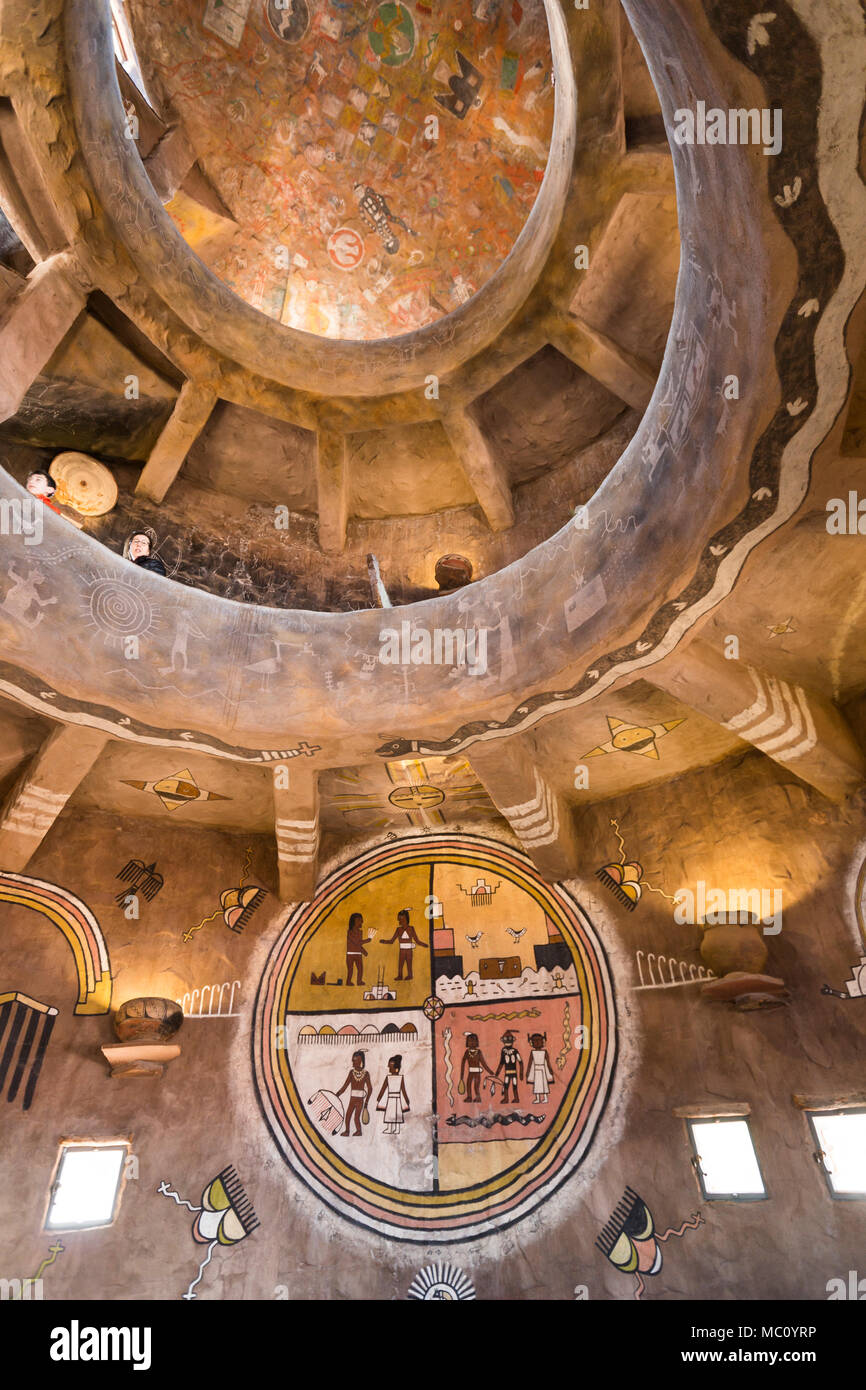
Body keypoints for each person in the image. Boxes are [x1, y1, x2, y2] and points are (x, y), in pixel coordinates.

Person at [381, 908, 427, 981]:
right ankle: (400, 976)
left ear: (406, 919)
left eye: (402, 919)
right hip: (402, 950)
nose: (400, 921)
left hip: (409, 950)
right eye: (399, 919)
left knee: (409, 964)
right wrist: (384, 941)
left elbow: (417, 940)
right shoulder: (398, 930)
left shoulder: (411, 928)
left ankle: (410, 975)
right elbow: (392, 941)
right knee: (400, 964)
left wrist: (424, 944)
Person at [335, 1050, 372, 1137]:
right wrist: (338, 1094)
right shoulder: (351, 1073)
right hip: (353, 1099)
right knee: (348, 1116)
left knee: (356, 1117)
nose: (353, 1062)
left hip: (360, 1100)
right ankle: (347, 1131)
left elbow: (370, 1089)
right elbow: (345, 1086)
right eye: (353, 1060)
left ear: (360, 1061)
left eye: (354, 1060)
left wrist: (366, 1102)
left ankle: (359, 1131)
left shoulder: (366, 1074)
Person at [376, 1054, 409, 1135]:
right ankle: (389, 1128)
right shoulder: (388, 1077)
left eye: (391, 1066)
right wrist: (379, 1097)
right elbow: (383, 1089)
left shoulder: (401, 1078)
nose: (389, 1068)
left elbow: (403, 1090)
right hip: (390, 1098)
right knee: (389, 1114)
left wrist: (406, 1099)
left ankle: (397, 1129)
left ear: (396, 1068)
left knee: (397, 1114)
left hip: (397, 1098)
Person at [459, 1032, 495, 1103]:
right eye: (470, 1041)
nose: (472, 1043)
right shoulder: (467, 1052)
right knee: (468, 1084)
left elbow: (483, 1063)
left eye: (474, 1041)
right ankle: (469, 1097)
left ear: (476, 1042)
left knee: (476, 1086)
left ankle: (478, 1097)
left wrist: (490, 1071)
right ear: (467, 1042)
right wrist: (462, 1074)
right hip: (470, 1072)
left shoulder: (478, 1052)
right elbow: (463, 1062)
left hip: (477, 1073)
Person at [526, 1032, 556, 1105]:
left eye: (539, 1041)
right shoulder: (532, 1052)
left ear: (542, 1042)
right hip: (536, 1070)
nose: (537, 1043)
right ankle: (538, 1098)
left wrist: (550, 1070)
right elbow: (530, 1063)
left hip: (543, 1070)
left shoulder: (544, 1052)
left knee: (544, 1084)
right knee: (537, 1085)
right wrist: (528, 1071)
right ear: (532, 1043)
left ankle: (545, 1098)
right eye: (535, 1041)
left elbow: (548, 1062)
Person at [495, 1030, 524, 1104]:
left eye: (509, 1039)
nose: (508, 1041)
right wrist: (497, 1072)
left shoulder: (515, 1051)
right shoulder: (503, 1051)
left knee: (514, 1085)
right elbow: (501, 1062)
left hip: (513, 1072)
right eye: (506, 1039)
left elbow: (520, 1062)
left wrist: (521, 1073)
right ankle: (506, 1098)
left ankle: (516, 1098)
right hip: (507, 1072)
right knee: (506, 1086)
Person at [345, 912, 368, 986]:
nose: (361, 922)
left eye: (361, 920)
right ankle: (348, 981)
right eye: (359, 920)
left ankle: (359, 981)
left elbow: (358, 945)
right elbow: (357, 942)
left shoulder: (360, 932)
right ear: (353, 921)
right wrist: (367, 940)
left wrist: (363, 952)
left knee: (360, 969)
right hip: (350, 954)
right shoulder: (350, 932)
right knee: (350, 970)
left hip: (358, 954)